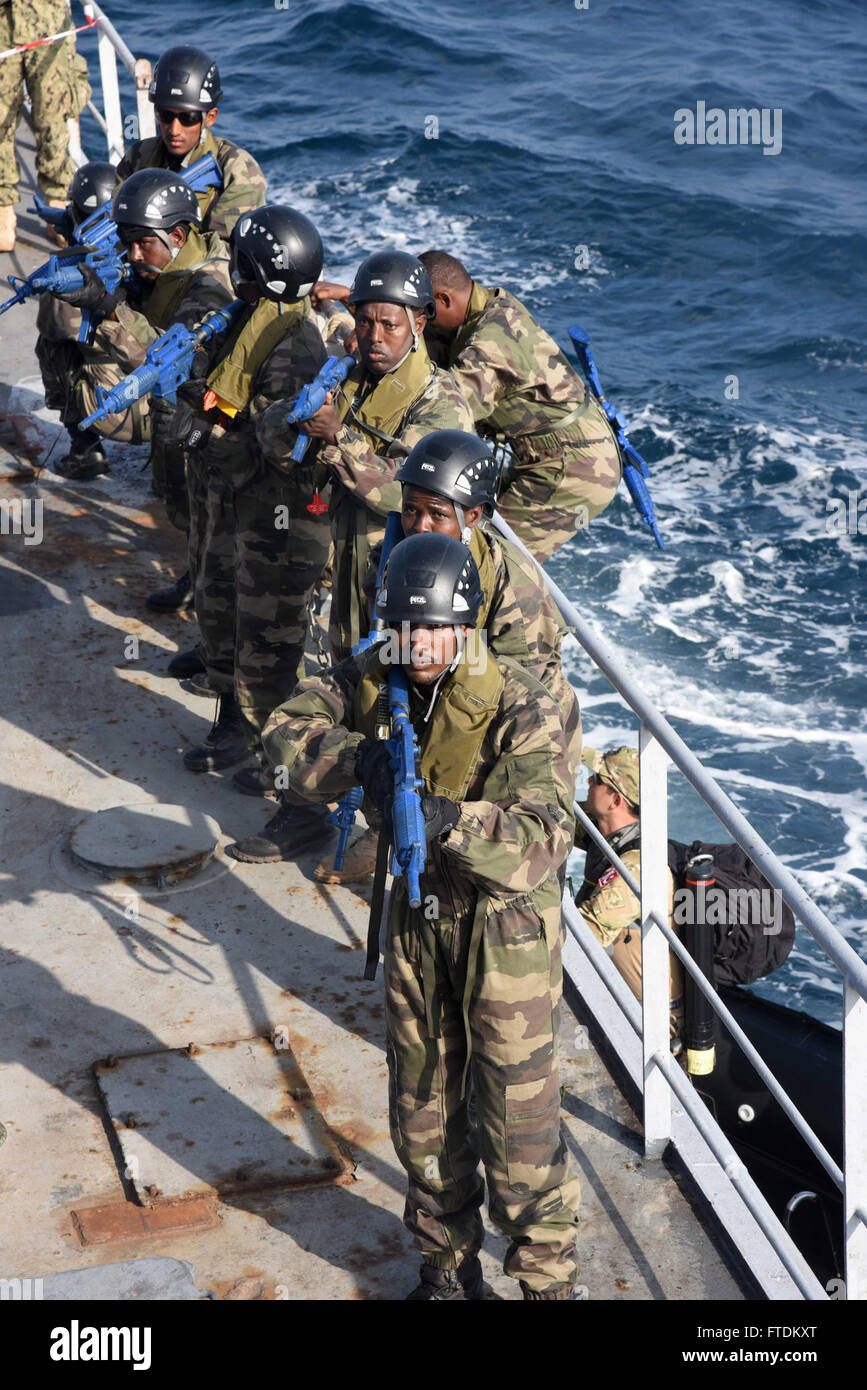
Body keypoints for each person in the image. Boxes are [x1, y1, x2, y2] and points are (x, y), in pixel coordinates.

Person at [262, 533, 582, 1299]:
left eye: (436, 628)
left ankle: (545, 1283)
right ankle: (446, 1265)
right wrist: (354, 760)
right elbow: (281, 738)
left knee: (518, 1124)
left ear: (465, 624)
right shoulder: (379, 674)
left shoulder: (527, 703)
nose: (420, 645)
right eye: (405, 629)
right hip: (414, 913)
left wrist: (449, 819)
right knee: (423, 1106)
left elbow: (542, 839)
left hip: (502, 931)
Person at [315, 428, 582, 886]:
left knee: (509, 852)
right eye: (411, 509)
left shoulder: (516, 589)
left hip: (519, 721)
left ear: (473, 516)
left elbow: (524, 699)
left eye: (437, 515)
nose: (419, 525)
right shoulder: (397, 556)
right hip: (438, 693)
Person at [158, 204, 332, 815]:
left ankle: (272, 758)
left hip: (265, 520)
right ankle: (231, 719)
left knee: (264, 638)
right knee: (214, 606)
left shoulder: (292, 346)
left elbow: (282, 449)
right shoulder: (249, 322)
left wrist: (206, 433)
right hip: (223, 507)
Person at [278, 249, 474, 665]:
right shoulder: (350, 372)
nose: (375, 336)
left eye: (390, 325)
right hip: (340, 558)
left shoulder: (442, 403)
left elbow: (403, 492)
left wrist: (334, 433)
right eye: (365, 322)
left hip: (400, 577)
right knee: (348, 669)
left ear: (418, 325)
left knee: (392, 682)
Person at [417, 249, 622, 562]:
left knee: (490, 562)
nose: (421, 323)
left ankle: (525, 609)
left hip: (574, 466)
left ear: (443, 300)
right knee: (476, 538)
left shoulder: (493, 341)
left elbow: (446, 409)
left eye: (424, 313)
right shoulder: (485, 306)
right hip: (546, 453)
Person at [43, 168, 233, 486]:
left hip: (182, 414)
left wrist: (109, 307)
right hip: (168, 409)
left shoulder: (207, 288)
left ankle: (85, 451)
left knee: (59, 342)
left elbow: (173, 362)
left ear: (176, 237)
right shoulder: (173, 261)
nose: (134, 255)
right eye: (128, 244)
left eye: (144, 244)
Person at [574, 744, 683, 1039]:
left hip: (646, 1022)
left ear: (616, 801)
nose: (588, 782)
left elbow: (585, 935)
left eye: (596, 780)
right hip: (618, 995)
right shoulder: (608, 833)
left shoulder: (638, 868)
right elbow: (555, 817)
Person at [116, 45, 266, 245]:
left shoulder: (237, 168)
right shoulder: (140, 156)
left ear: (210, 117)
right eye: (165, 115)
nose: (174, 129)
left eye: (188, 118)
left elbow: (223, 250)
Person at [0, 0, 90, 252]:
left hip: (47, 17)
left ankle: (57, 201)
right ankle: (3, 208)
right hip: (2, 21)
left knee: (52, 112)